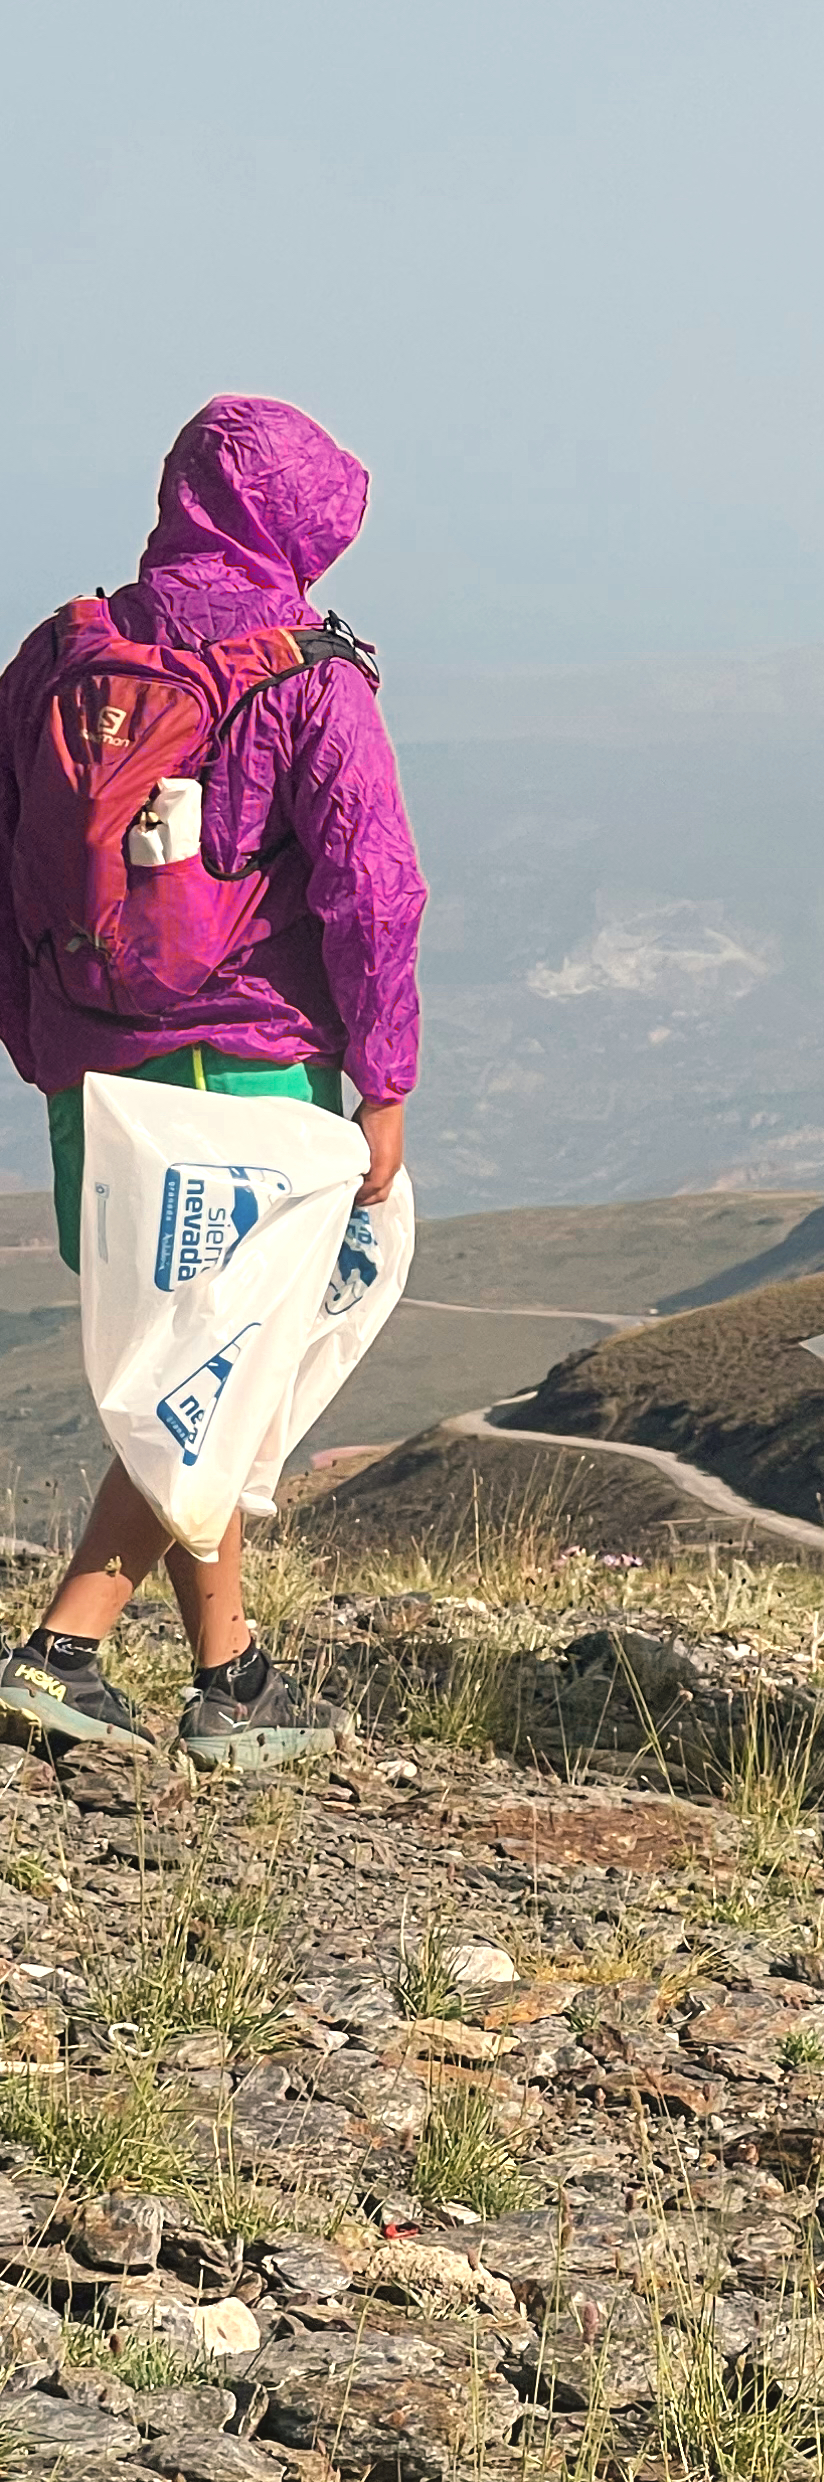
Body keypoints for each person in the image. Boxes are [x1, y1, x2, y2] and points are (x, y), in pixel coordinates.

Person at [0, 397, 420, 1777]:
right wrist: (385, 1082)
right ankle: (63, 1647)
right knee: (214, 1366)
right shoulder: (309, 676)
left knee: (192, 1368)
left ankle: (231, 1675)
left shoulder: (62, 659)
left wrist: (46, 1044)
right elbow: (373, 891)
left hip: (99, 1075)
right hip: (249, 1068)